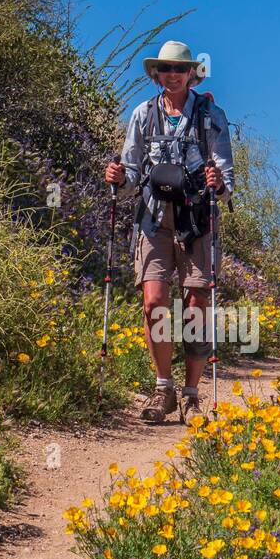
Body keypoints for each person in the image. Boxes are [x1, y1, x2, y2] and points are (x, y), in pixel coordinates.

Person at [105, 40, 234, 423]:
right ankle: (164, 390)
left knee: (196, 306)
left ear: (192, 74)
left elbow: (227, 181)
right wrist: (118, 177)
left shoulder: (212, 116)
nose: (173, 75)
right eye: (166, 69)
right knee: (154, 303)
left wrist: (218, 183)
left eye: (180, 69)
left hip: (197, 221)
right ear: (157, 74)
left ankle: (192, 395)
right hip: (154, 219)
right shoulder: (143, 114)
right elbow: (130, 173)